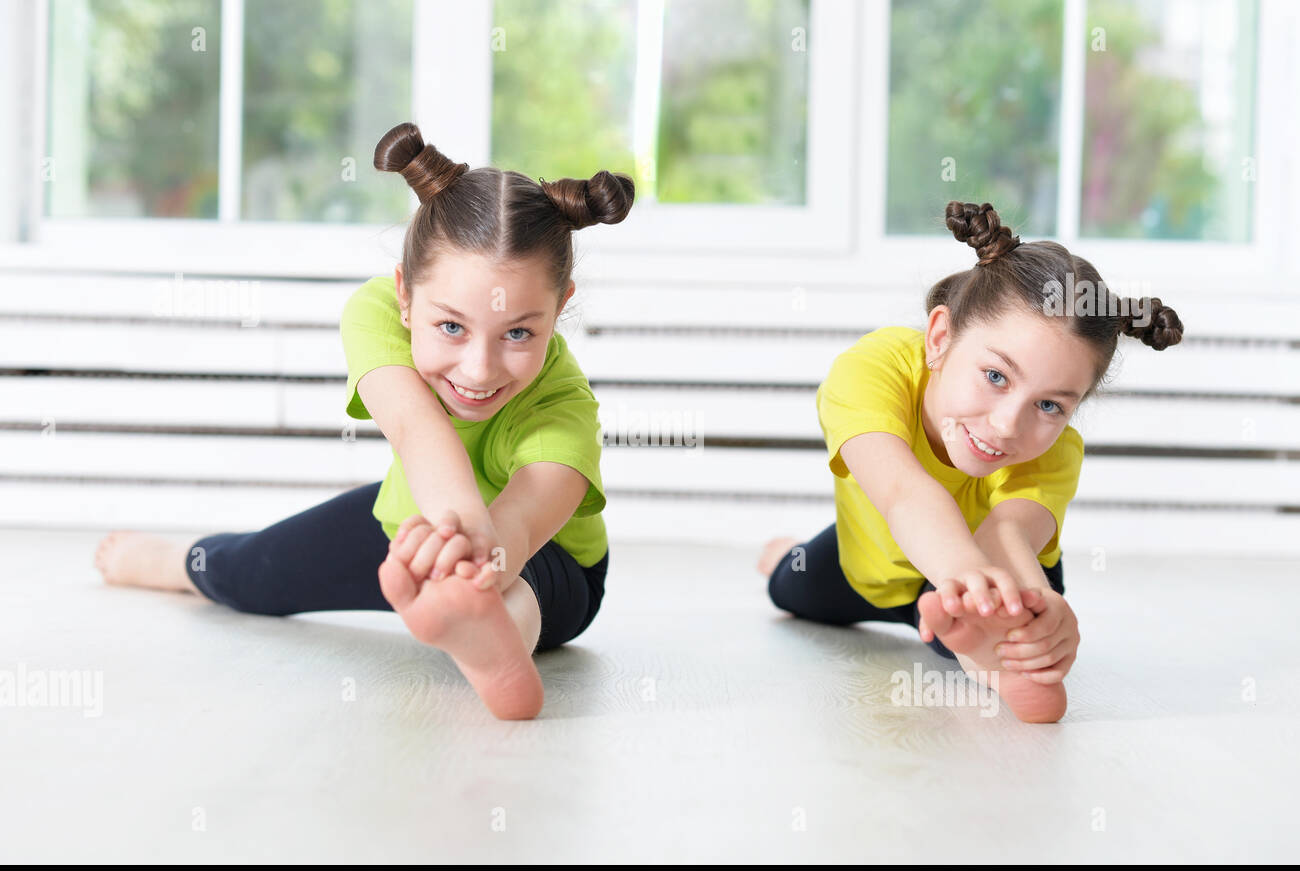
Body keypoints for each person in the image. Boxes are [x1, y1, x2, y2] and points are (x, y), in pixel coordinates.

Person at [94, 121, 635, 721]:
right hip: (411, 520)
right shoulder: (374, 312)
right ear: (405, 296)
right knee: (258, 573)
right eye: (451, 326)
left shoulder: (565, 408)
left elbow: (522, 520)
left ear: (560, 309)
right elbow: (416, 430)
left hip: (541, 558)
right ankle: (180, 564)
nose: (479, 370)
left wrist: (468, 562)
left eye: (518, 333)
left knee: (511, 580)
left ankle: (489, 638)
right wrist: (450, 533)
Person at [759, 200, 1184, 723]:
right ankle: (787, 553)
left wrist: (1022, 608)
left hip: (993, 577)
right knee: (786, 586)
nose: (1009, 425)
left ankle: (991, 659)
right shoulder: (873, 371)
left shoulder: (1057, 449)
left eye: (1050, 405)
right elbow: (901, 492)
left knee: (971, 621)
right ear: (940, 338)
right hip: (868, 565)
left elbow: (1007, 535)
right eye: (996, 376)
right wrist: (963, 572)